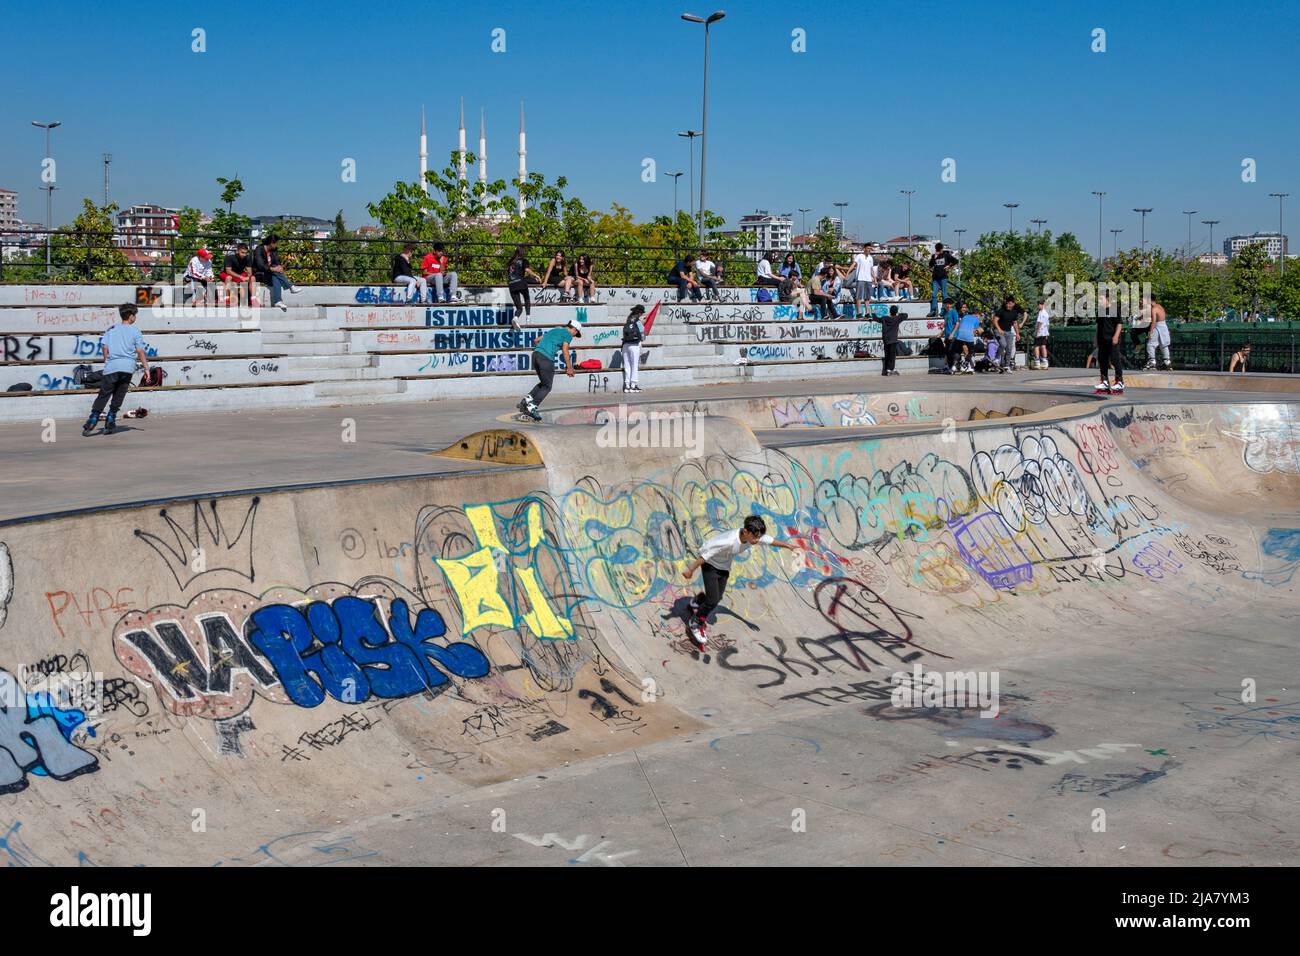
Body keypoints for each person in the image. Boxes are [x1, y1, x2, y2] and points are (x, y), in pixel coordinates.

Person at [680, 515, 802, 648]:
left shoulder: (752, 536)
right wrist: (690, 570)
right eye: (754, 537)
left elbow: (770, 540)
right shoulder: (728, 541)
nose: (756, 540)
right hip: (710, 564)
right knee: (713, 600)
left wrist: (789, 546)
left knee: (717, 597)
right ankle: (695, 623)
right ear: (746, 531)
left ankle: (699, 601)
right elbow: (705, 556)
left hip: (724, 566)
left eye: (758, 537)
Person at [82, 304, 150, 436]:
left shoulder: (111, 330)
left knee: (104, 394)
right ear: (131, 317)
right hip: (127, 368)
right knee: (119, 394)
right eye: (134, 315)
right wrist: (146, 368)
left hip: (112, 367)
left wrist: (107, 360)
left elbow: (104, 347)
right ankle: (111, 419)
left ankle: (93, 419)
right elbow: (140, 351)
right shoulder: (135, 331)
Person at [518, 317, 582, 421]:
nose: (574, 336)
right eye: (576, 333)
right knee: (547, 386)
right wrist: (569, 367)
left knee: (544, 382)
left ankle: (526, 400)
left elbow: (536, 340)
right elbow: (565, 350)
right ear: (574, 330)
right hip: (546, 358)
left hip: (535, 355)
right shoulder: (568, 334)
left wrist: (542, 349)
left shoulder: (555, 330)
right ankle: (532, 407)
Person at [253, 235, 300, 312]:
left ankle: (278, 301)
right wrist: (273, 269)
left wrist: (279, 267)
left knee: (276, 277)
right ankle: (290, 287)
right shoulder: (259, 249)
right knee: (275, 273)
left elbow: (276, 260)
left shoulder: (273, 250)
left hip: (270, 274)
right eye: (276, 243)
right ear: (271, 243)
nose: (277, 245)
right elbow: (260, 265)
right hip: (259, 274)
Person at [1095, 290, 1125, 393]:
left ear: (1107, 298)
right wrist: (1096, 339)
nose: (1099, 301)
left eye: (1101, 299)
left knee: (1115, 360)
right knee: (1102, 361)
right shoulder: (1100, 311)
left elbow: (1119, 324)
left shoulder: (1113, 309)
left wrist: (1116, 336)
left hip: (1112, 339)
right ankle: (1104, 381)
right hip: (1102, 340)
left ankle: (1119, 382)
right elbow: (1098, 325)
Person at [507, 247, 543, 329]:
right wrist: (536, 276)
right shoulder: (524, 260)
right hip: (520, 282)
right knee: (527, 299)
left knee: (519, 307)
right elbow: (527, 270)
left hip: (511, 284)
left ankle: (515, 318)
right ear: (523, 253)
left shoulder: (511, 261)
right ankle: (528, 319)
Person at [993, 295, 1025, 372]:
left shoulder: (1014, 312)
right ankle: (997, 358)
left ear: (1013, 304)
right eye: (1007, 303)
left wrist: (1017, 334)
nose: (1008, 305)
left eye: (1010, 304)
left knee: (1009, 349)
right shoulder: (1001, 310)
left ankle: (1007, 366)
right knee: (1003, 344)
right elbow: (995, 320)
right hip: (999, 331)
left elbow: (1015, 323)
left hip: (1008, 332)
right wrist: (999, 329)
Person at [928, 243, 959, 317]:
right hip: (935, 278)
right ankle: (933, 310)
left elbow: (956, 261)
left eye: (940, 249)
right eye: (938, 249)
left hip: (943, 278)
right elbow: (930, 265)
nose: (939, 251)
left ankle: (943, 310)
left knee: (944, 295)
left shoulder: (946, 255)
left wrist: (949, 266)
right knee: (934, 295)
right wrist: (934, 258)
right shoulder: (934, 256)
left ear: (942, 249)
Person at [221, 243, 255, 307]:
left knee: (252, 278)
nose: (244, 254)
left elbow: (249, 272)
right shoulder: (229, 256)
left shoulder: (248, 257)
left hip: (240, 274)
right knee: (228, 278)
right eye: (242, 252)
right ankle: (227, 299)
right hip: (227, 273)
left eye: (246, 253)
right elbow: (228, 271)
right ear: (237, 251)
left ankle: (253, 300)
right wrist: (241, 277)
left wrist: (248, 277)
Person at [621, 304, 645, 393]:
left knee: (627, 366)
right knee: (634, 365)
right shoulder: (638, 322)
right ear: (640, 313)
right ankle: (633, 385)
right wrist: (643, 325)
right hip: (634, 345)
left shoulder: (628, 320)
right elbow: (642, 336)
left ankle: (627, 385)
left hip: (625, 345)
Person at [1143, 299, 1171, 370]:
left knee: (1150, 344)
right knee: (1164, 344)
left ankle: (1152, 362)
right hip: (1163, 326)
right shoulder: (1160, 306)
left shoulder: (1154, 309)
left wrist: (1150, 331)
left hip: (1157, 326)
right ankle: (1167, 362)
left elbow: (1154, 321)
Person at [850, 243, 875, 317]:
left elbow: (871, 269)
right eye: (868, 248)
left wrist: (874, 278)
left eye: (870, 249)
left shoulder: (870, 258)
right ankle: (858, 313)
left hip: (868, 279)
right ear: (864, 248)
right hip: (860, 278)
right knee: (859, 296)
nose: (869, 250)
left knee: (867, 297)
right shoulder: (859, 256)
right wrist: (848, 272)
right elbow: (854, 264)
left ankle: (867, 313)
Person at [880, 304, 902, 376]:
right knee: (892, 356)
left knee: (887, 355)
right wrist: (898, 314)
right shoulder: (897, 318)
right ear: (896, 312)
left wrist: (873, 313)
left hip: (886, 340)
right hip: (893, 340)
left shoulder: (884, 318)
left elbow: (876, 318)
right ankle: (890, 370)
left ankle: (885, 370)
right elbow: (906, 315)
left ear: (889, 312)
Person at [1032, 299, 1051, 370]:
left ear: (1042, 305)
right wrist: (1047, 333)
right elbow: (1047, 324)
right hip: (1044, 332)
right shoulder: (1046, 313)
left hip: (1040, 332)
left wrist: (1037, 332)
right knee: (1043, 346)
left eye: (1039, 305)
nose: (1038, 306)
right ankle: (1044, 361)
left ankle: (1037, 362)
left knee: (1036, 346)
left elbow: (1039, 322)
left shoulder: (1041, 313)